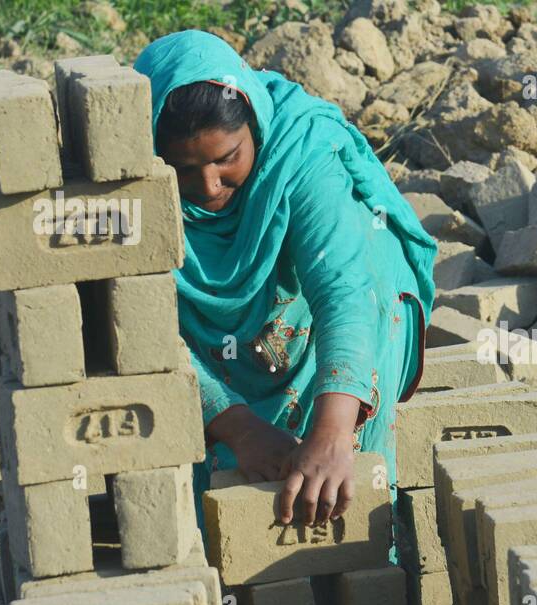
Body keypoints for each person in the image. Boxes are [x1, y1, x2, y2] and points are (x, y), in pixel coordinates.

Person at [133, 31, 436, 554]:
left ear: (253, 125)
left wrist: (335, 432)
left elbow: (343, 291)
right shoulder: (124, 189)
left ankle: (379, 577)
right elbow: (139, 325)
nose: (208, 186)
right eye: (182, 169)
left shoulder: (299, 150)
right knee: (234, 510)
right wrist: (240, 427)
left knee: (345, 472)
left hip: (346, 303)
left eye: (227, 157)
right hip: (224, 350)